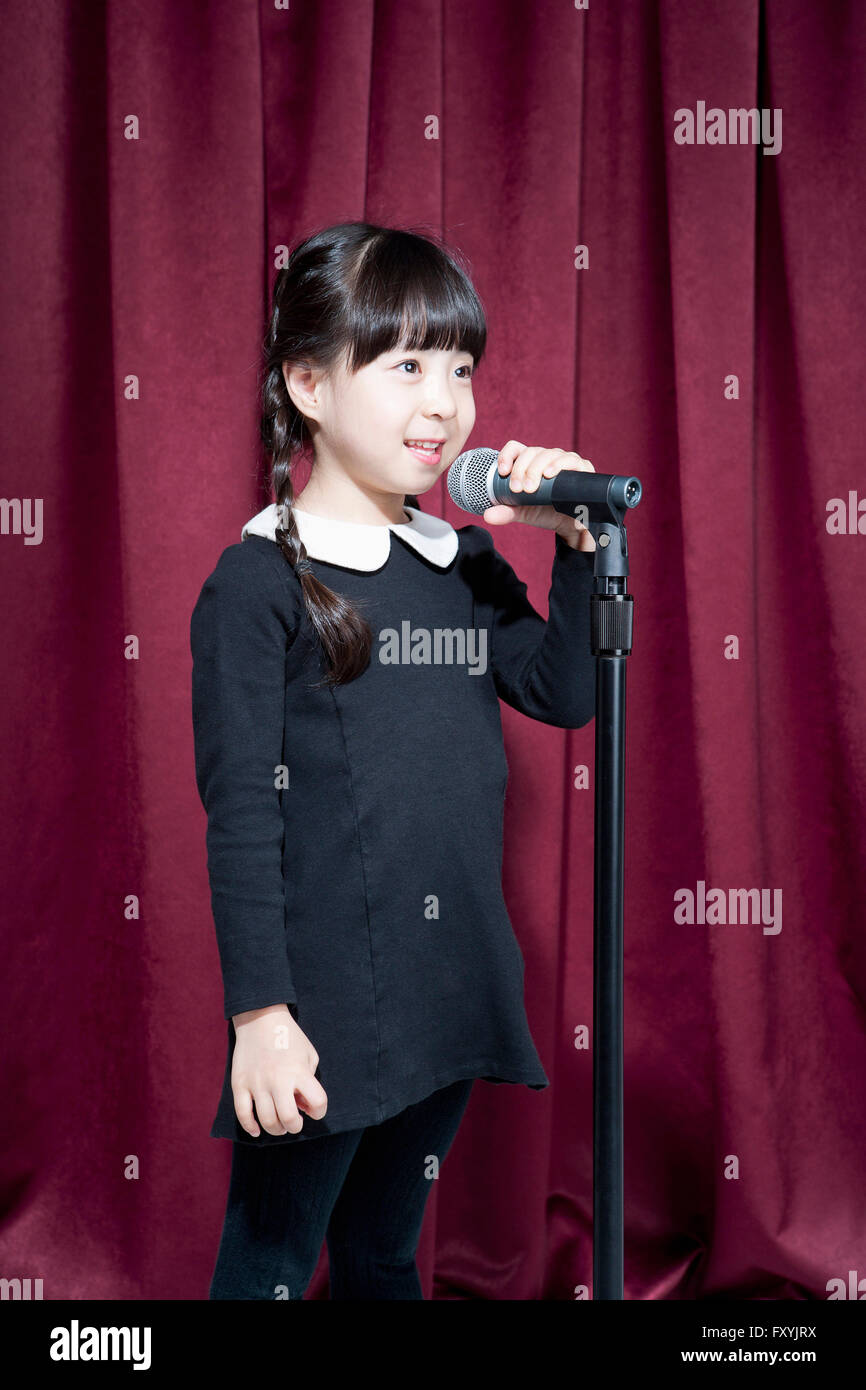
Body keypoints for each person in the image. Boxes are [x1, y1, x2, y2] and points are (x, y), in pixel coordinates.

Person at [190, 221, 597, 1300]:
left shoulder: (457, 559)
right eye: (407, 364)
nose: (443, 401)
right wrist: (260, 1018)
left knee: (382, 1252)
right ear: (308, 383)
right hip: (321, 1004)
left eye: (460, 368)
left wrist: (575, 547)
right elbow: (240, 817)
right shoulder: (257, 584)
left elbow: (560, 691)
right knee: (275, 1259)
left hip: (446, 975)